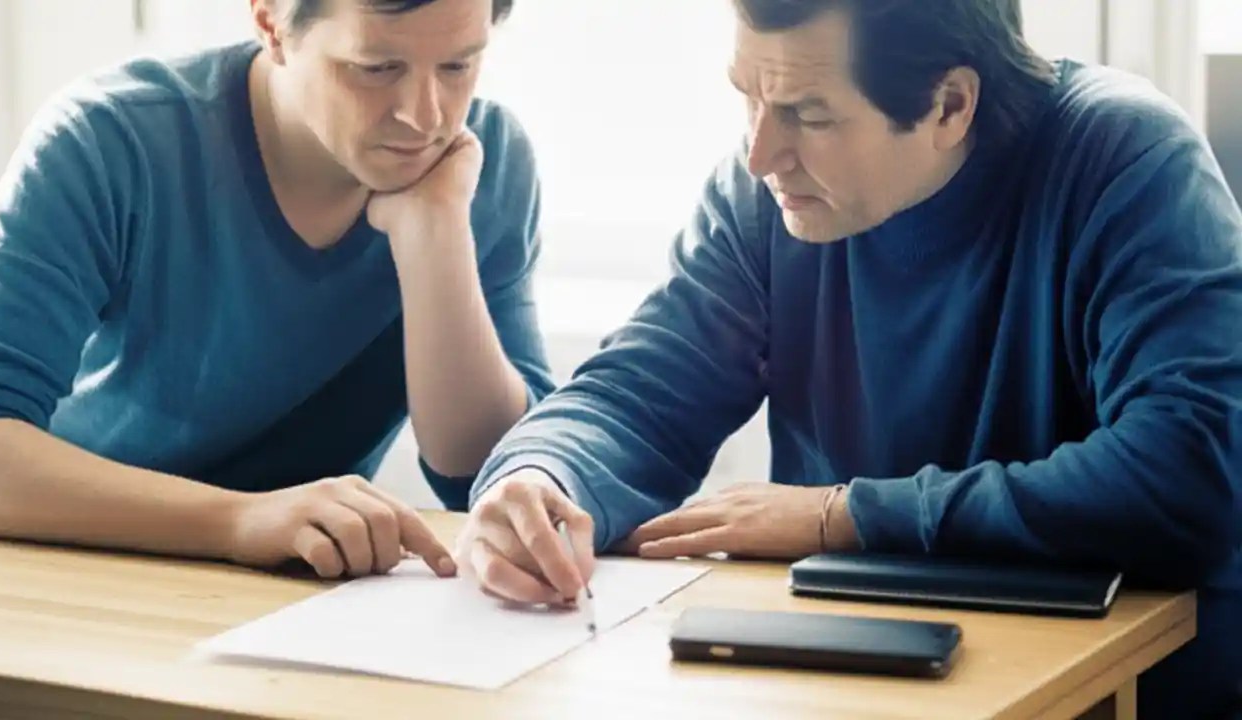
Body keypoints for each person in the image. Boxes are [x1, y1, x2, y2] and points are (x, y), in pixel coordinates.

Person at [457, 1, 1242, 716]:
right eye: (748, 96)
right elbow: (637, 398)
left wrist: (843, 516)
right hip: (855, 683)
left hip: (1128, 693)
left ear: (950, 105)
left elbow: (1192, 472)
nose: (762, 153)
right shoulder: (768, 203)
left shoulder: (1127, 160)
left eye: (807, 115)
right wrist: (539, 476)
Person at [0, 0, 554, 582]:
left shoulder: (482, 162)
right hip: (72, 572)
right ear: (271, 23)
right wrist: (241, 521)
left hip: (290, 592)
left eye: (458, 67)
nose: (425, 117)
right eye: (377, 68)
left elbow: (489, 474)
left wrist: (436, 235)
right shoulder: (110, 141)